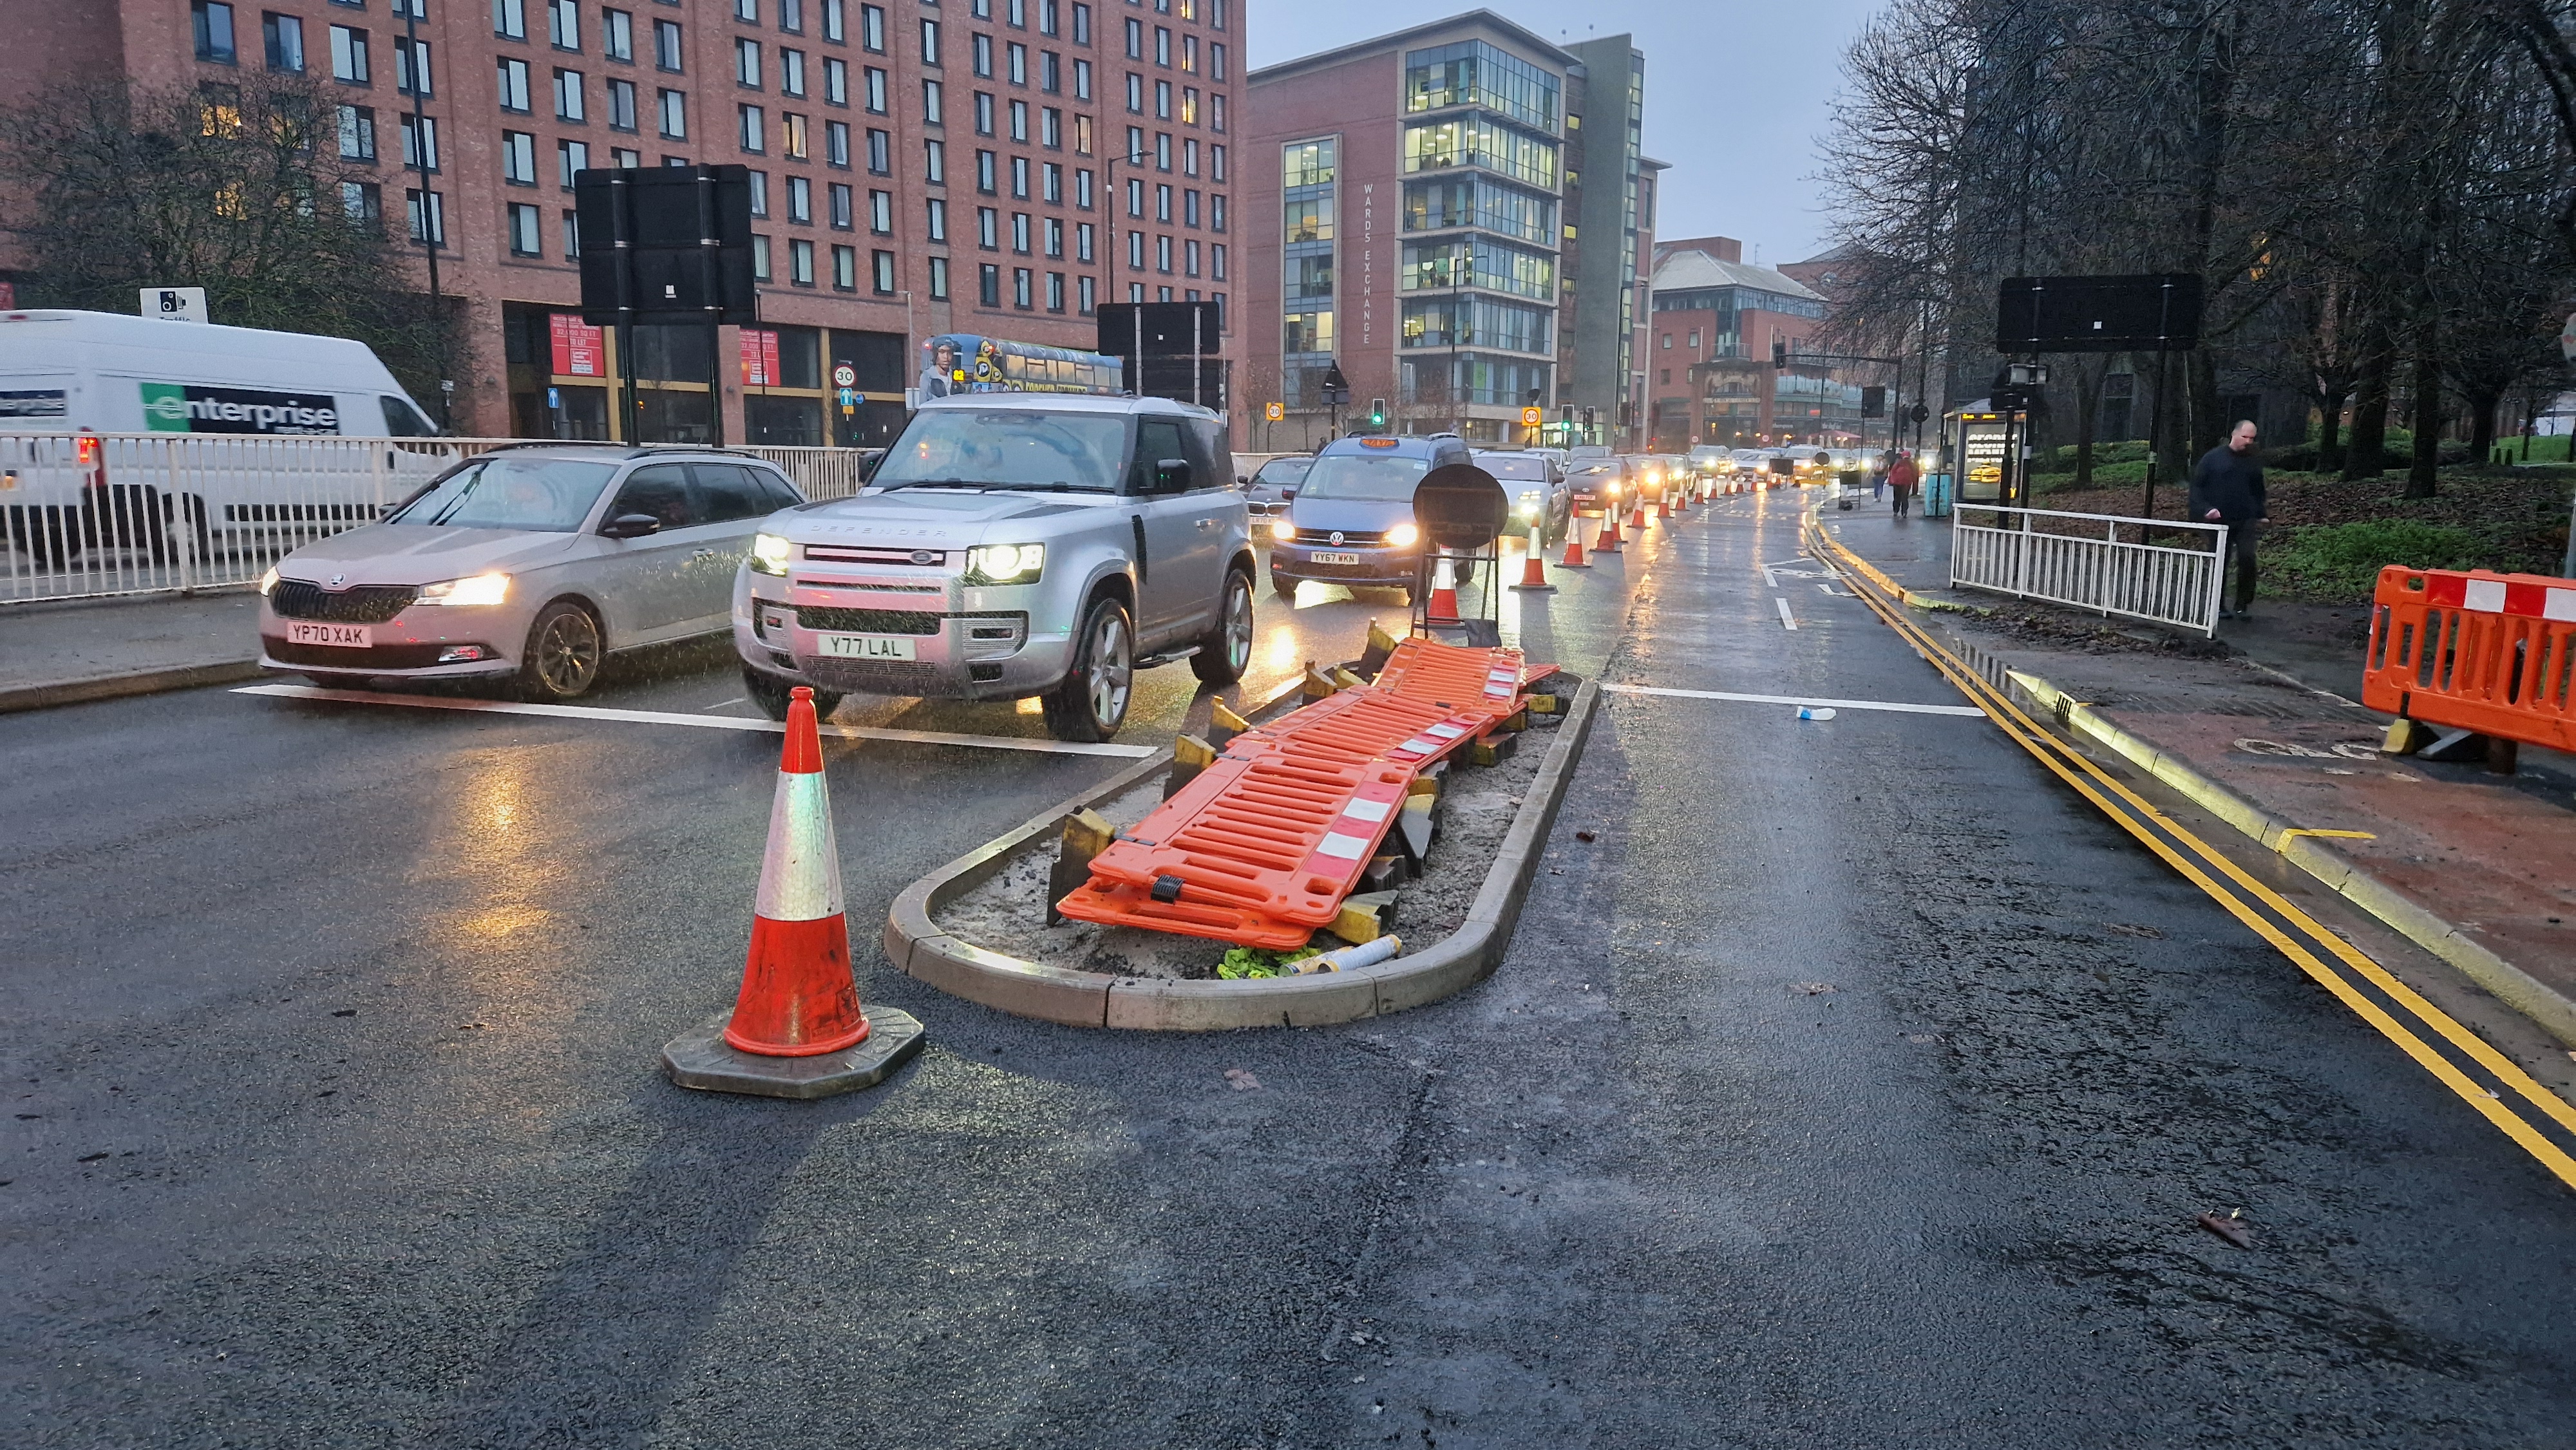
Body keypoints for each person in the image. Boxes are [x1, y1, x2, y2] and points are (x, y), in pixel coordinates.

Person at [2188, 420, 2268, 619]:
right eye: (2245, 437)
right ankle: (2217, 604)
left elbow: (2258, 489)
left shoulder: (2252, 461)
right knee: (2219, 561)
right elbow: (2197, 488)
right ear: (2234, 434)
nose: (2248, 442)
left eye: (2252, 438)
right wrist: (2206, 509)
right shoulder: (2213, 459)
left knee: (2248, 558)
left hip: (2245, 518)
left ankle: (2243, 603)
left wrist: (2260, 513)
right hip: (2219, 519)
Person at [1887, 449, 1920, 518]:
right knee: (1905, 497)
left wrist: (1891, 481)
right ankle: (1904, 512)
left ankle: (1896, 511)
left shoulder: (1898, 463)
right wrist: (1914, 483)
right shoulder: (1912, 464)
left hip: (1897, 482)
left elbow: (1892, 472)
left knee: (1897, 497)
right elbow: (1915, 474)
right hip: (1907, 483)